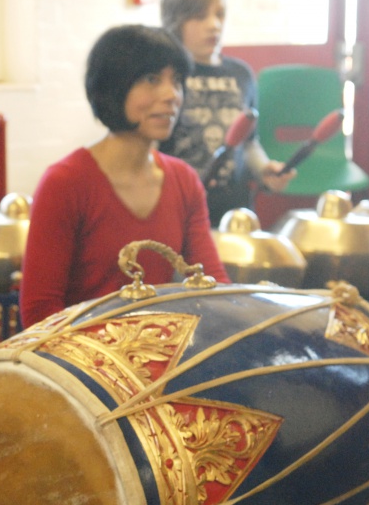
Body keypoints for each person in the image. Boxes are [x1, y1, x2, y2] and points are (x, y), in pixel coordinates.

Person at [19, 24, 229, 328]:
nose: (171, 95)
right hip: (77, 354)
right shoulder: (65, 183)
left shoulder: (184, 180)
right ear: (113, 87)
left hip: (162, 347)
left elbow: (214, 287)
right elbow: (40, 312)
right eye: (152, 79)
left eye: (176, 81)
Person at [158, 0, 294, 226]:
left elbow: (249, 143)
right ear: (175, 20)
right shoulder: (166, 76)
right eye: (200, 16)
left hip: (235, 210)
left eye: (219, 14)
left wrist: (264, 170)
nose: (214, 24)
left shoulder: (241, 74)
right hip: (180, 211)